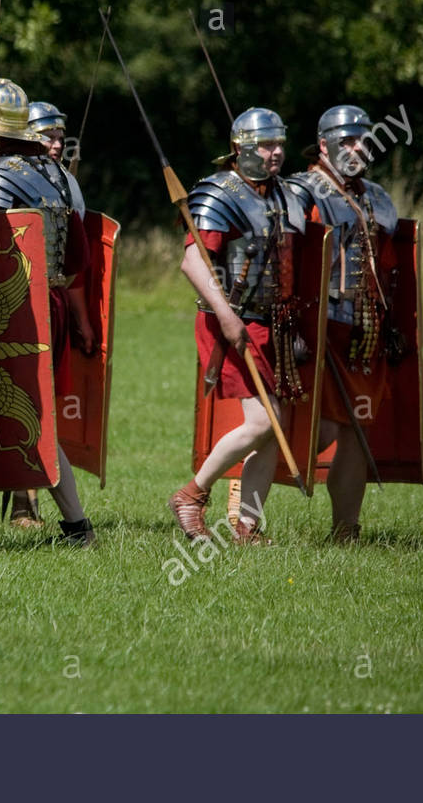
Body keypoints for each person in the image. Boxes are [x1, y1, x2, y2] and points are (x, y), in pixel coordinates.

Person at [169, 107, 308, 544]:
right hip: (229, 322)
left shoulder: (282, 193)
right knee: (264, 422)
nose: (276, 152)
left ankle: (246, 526)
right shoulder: (219, 193)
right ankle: (191, 495)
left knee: (274, 425)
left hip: (271, 324)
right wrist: (227, 317)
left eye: (280, 144)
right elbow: (192, 260)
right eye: (267, 145)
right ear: (241, 148)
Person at [0, 77, 96, 546]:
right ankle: (73, 525)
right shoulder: (59, 175)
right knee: (32, 412)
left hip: (8, 311)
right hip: (51, 306)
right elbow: (79, 258)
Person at [287, 105, 401, 543]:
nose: (356, 149)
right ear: (323, 146)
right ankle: (244, 491)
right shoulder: (302, 192)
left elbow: (388, 265)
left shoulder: (375, 195)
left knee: (357, 429)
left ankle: (346, 530)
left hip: (366, 328)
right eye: (346, 142)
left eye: (362, 141)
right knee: (322, 428)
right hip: (320, 326)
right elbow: (287, 257)